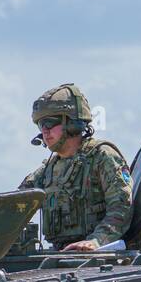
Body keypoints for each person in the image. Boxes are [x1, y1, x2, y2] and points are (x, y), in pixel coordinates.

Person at [19, 83, 133, 252]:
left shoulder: (102, 157)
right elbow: (15, 204)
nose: (44, 131)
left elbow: (122, 206)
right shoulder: (48, 170)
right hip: (61, 256)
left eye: (50, 123)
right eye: (40, 125)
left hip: (100, 258)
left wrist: (96, 241)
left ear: (72, 123)